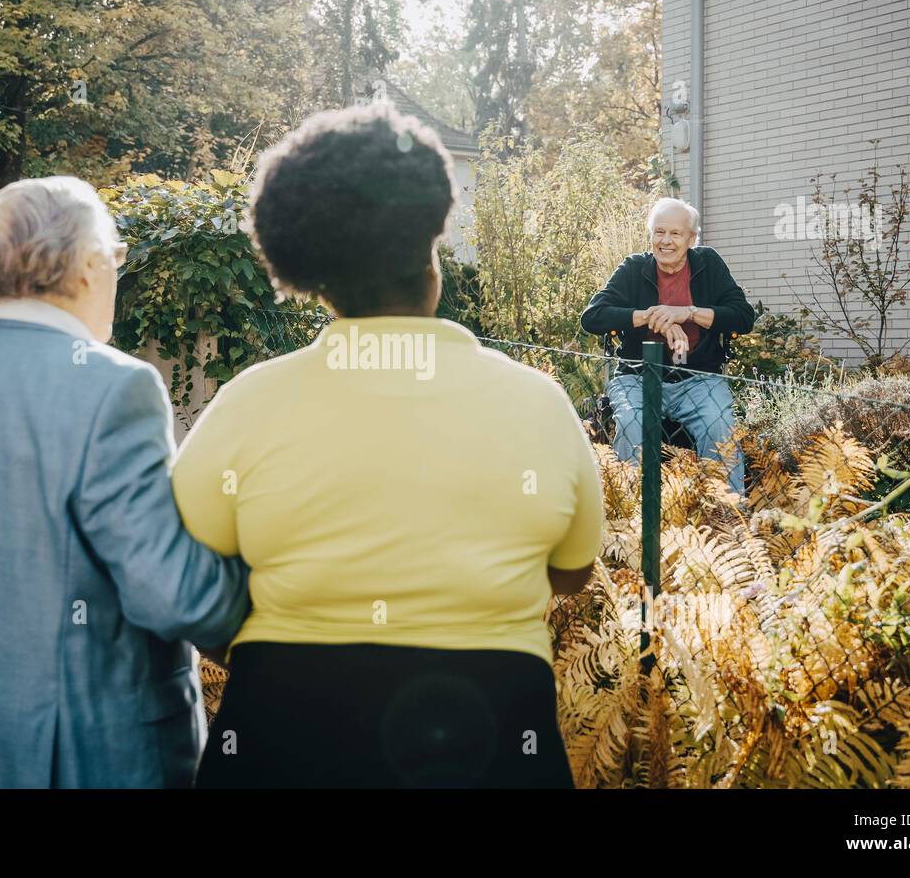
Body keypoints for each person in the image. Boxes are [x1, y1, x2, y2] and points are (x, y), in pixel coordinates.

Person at [171, 103, 605, 788]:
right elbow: (572, 570)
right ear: (432, 262)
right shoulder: (540, 405)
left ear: (316, 281)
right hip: (491, 737)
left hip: (281, 734)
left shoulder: (247, 405)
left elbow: (184, 571)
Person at [0, 176, 250, 788]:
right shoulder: (114, 387)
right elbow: (168, 590)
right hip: (82, 762)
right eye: (116, 258)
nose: (116, 273)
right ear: (86, 266)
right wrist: (274, 605)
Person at [579, 197, 755, 494]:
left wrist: (687, 313)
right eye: (659, 232)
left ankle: (728, 518)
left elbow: (743, 317)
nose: (666, 241)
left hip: (699, 378)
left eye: (675, 233)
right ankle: (630, 508)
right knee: (633, 424)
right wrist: (651, 316)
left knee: (719, 427)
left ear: (691, 238)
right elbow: (592, 316)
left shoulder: (708, 264)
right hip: (638, 376)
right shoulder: (634, 268)